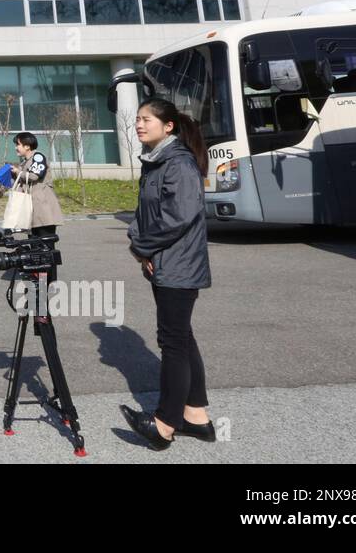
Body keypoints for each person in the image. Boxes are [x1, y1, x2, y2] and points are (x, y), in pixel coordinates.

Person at [120, 98, 214, 451]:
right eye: (138, 120)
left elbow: (179, 216)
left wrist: (144, 246)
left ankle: (164, 424)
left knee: (172, 343)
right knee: (182, 338)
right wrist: (139, 242)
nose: (139, 125)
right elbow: (147, 213)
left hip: (179, 265)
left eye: (146, 120)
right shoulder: (157, 161)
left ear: (168, 126)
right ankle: (197, 418)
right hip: (166, 262)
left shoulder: (178, 164)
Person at [7, 132, 64, 238]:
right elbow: (24, 180)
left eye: (18, 145)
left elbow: (34, 176)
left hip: (43, 208)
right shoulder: (26, 162)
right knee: (34, 245)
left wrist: (17, 172)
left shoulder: (38, 157)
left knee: (46, 244)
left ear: (27, 146)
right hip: (33, 207)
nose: (16, 148)